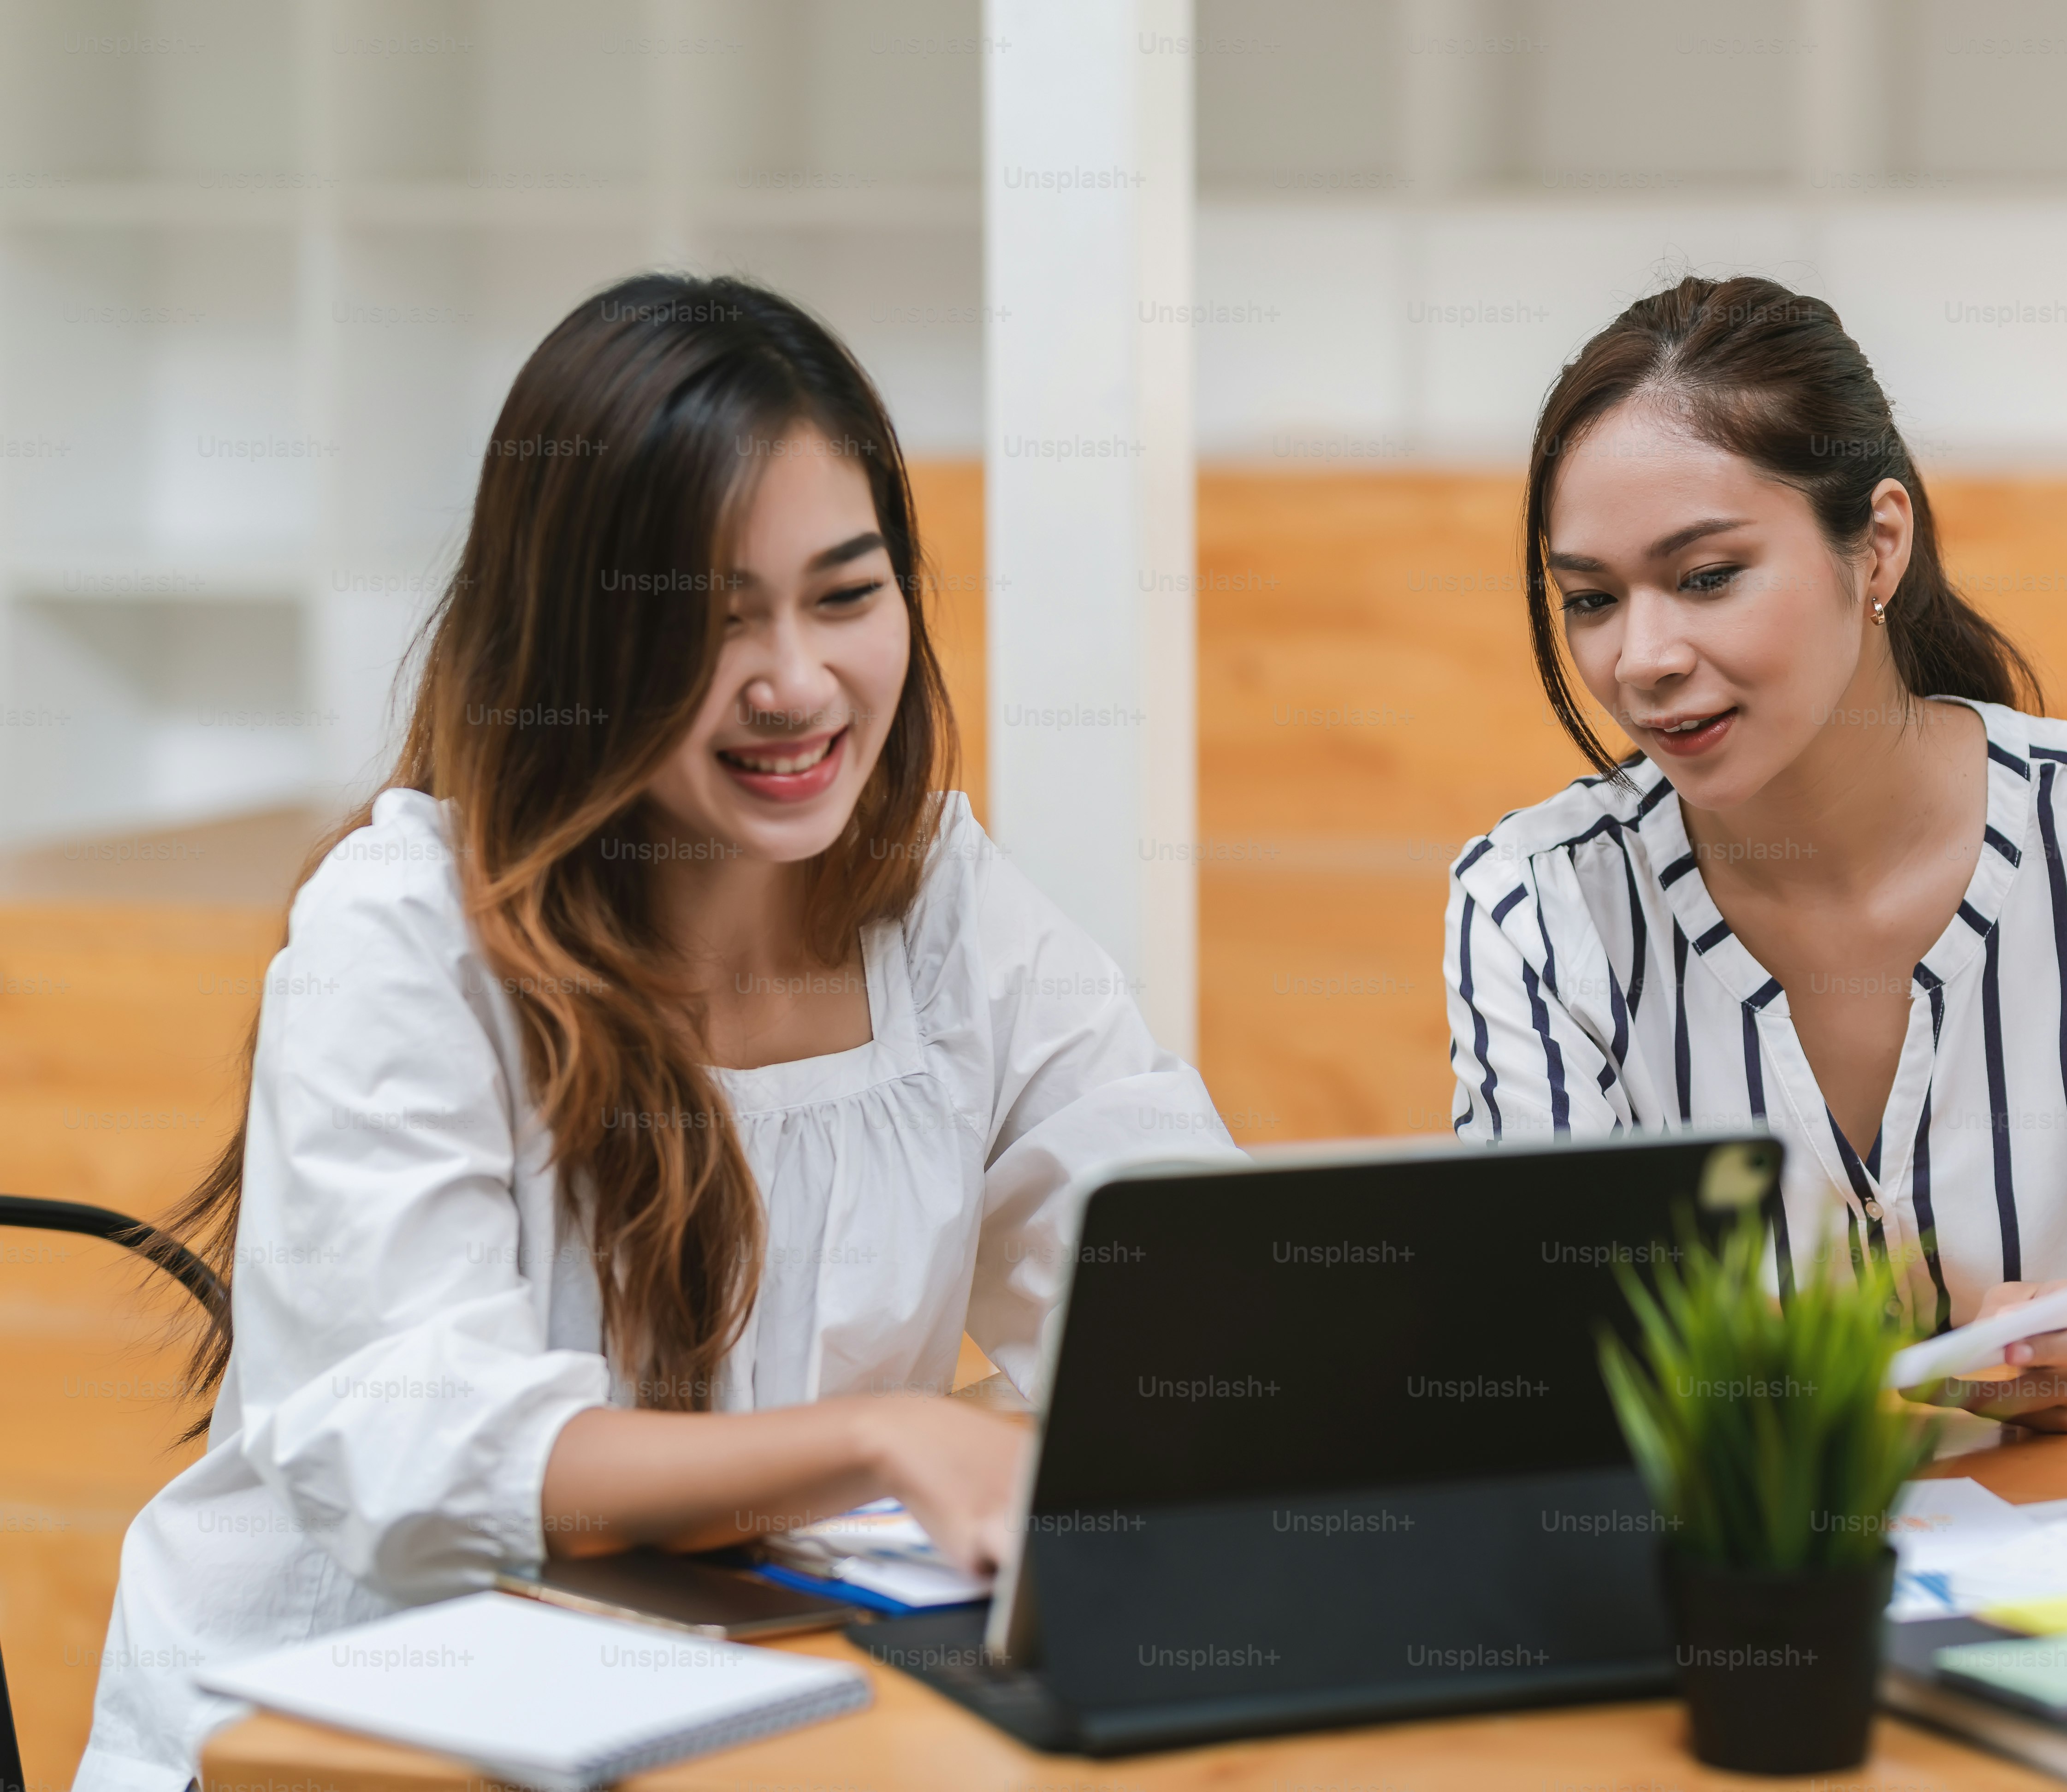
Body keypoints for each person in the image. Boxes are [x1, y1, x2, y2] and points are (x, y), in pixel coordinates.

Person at [77, 273, 1233, 1789]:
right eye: (712, 618)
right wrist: (882, 1437)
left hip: (717, 1728)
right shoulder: (406, 932)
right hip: (332, 1744)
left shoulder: (946, 911)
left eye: (846, 592)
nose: (798, 682)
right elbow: (431, 1461)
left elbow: (1179, 1278)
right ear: (575, 643)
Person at [1443, 276, 2067, 1430]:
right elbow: (1542, 1339)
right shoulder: (1531, 905)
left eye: (1706, 576)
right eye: (1589, 599)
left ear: (1875, 547)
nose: (1642, 657)